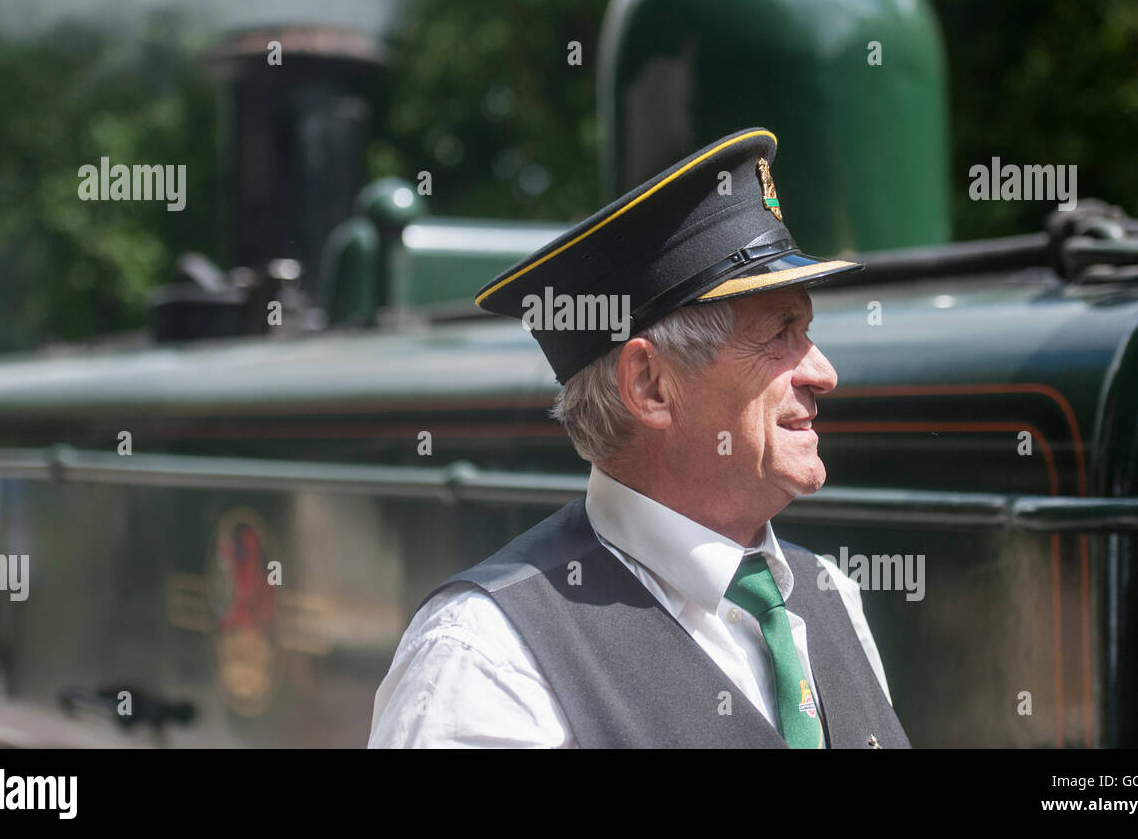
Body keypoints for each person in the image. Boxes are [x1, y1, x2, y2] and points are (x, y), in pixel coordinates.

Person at [369, 127, 910, 748]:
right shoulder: (486, 661)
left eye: (807, 332)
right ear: (651, 385)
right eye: (779, 335)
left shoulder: (832, 598)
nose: (823, 373)